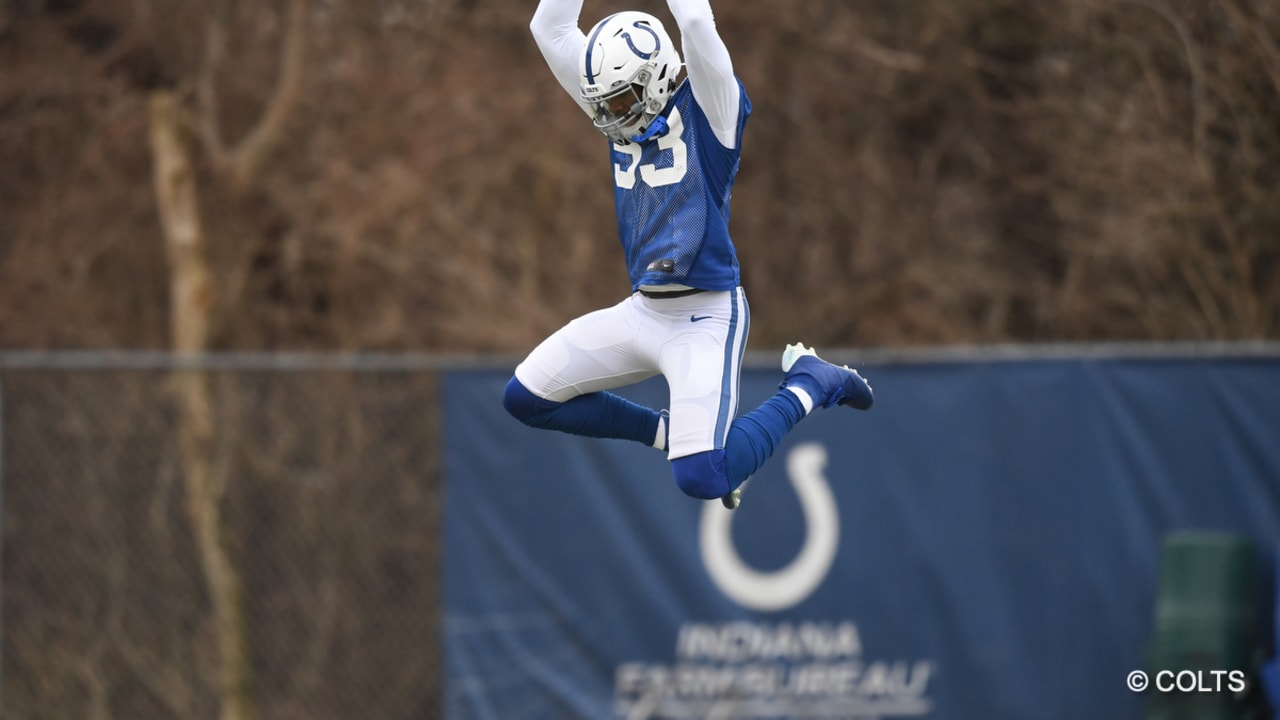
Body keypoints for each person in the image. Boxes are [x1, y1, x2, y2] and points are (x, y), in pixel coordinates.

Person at [503, 0, 874, 509]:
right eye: (603, 103)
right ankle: (667, 432)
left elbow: (697, 22)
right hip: (644, 310)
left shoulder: (712, 113)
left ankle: (812, 382)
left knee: (703, 476)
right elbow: (549, 25)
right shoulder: (618, 102)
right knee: (526, 397)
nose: (611, 115)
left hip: (705, 315)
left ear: (656, 78)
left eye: (622, 99)